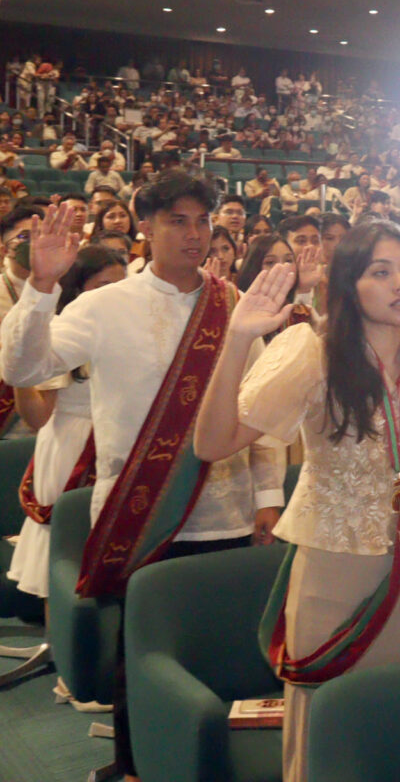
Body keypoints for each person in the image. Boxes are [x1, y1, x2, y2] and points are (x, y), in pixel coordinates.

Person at [1, 175, 285, 779]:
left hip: (228, 511)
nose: (193, 233)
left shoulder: (231, 305)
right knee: (145, 654)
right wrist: (42, 285)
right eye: (177, 221)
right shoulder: (103, 305)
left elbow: (260, 409)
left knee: (231, 647)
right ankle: (136, 764)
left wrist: (268, 496)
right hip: (143, 511)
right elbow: (23, 364)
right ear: (146, 226)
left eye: (202, 221)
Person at [192, 220, 400, 782]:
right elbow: (211, 442)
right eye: (381, 272)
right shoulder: (312, 351)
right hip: (335, 569)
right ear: (349, 283)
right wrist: (236, 340)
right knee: (329, 731)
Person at [9, 246, 129, 599]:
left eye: (122, 287)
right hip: (72, 448)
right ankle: (62, 645)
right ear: (78, 289)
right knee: (65, 562)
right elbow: (37, 416)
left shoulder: (134, 328)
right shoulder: (63, 330)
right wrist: (20, 372)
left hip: (121, 442)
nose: (114, 297)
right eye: (103, 285)